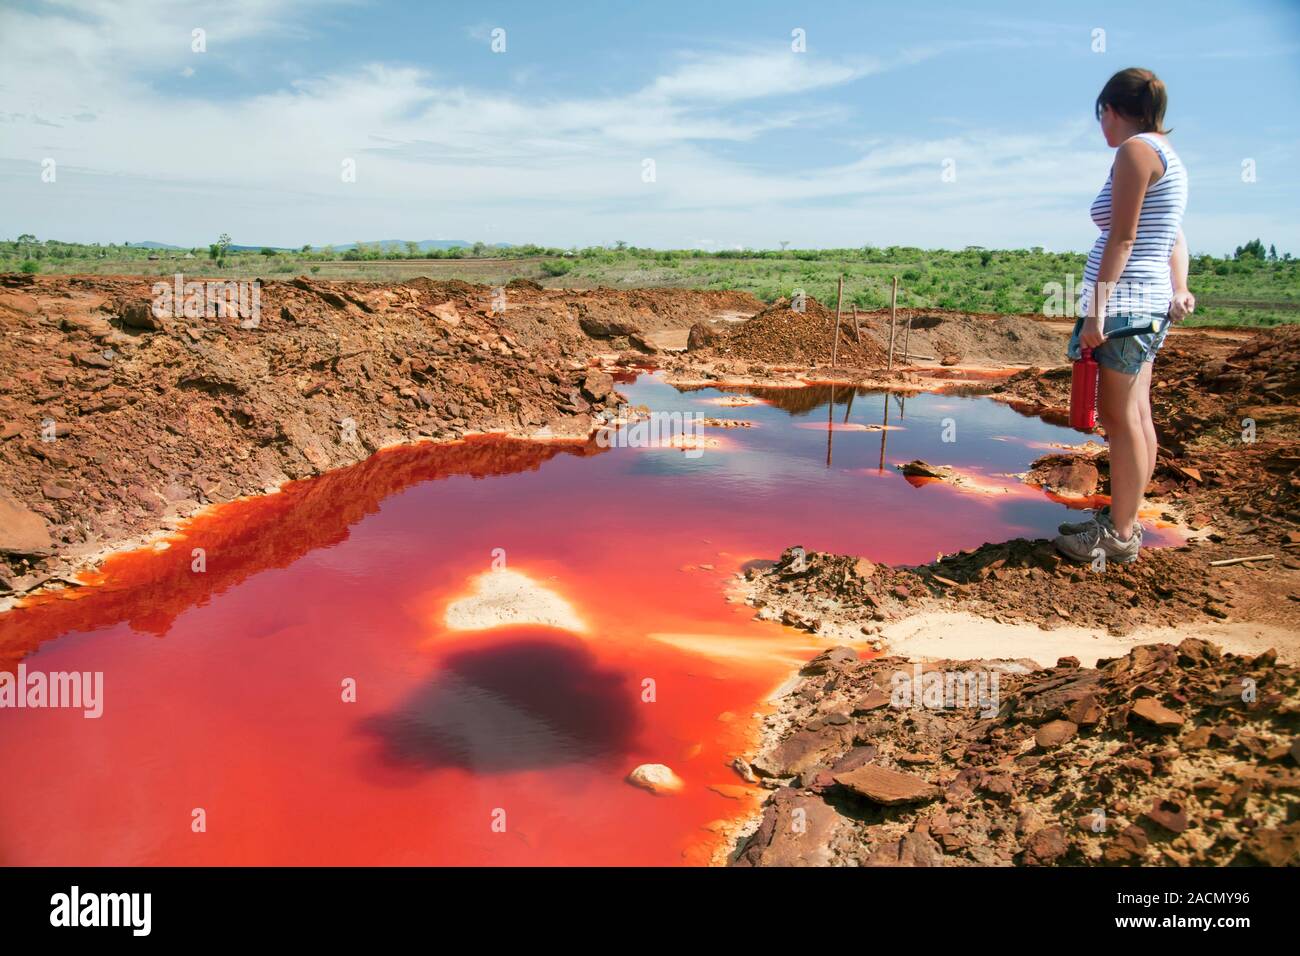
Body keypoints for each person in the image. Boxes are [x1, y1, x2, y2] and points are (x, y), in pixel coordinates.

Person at [1055, 67, 1192, 564]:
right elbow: (1176, 237)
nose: (1102, 128)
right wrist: (1179, 287)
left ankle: (1119, 532)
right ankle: (1124, 522)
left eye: (1102, 116)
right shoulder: (1169, 157)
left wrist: (1096, 311)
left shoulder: (1135, 151)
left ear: (1111, 109)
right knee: (1137, 416)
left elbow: (1124, 238)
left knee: (1119, 419)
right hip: (1147, 302)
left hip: (1126, 305)